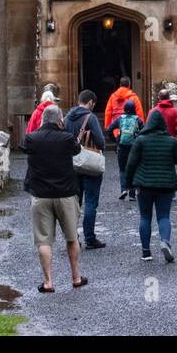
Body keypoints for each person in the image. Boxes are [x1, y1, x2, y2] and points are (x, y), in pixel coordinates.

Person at [22, 104, 87, 292]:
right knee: (72, 237)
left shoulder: (31, 139)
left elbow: (24, 148)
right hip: (65, 193)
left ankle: (48, 281)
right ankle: (75, 277)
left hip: (41, 195)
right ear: (60, 120)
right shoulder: (66, 138)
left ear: (43, 119)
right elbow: (77, 150)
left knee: (43, 240)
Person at [124, 110, 177, 262]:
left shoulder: (140, 140)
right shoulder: (171, 141)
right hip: (166, 185)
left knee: (145, 217)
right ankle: (165, 241)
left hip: (144, 185)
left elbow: (131, 164)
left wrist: (128, 184)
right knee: (164, 216)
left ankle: (146, 252)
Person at [64, 90, 106, 249]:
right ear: (90, 102)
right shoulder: (91, 117)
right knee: (90, 202)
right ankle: (90, 238)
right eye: (93, 104)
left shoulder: (67, 117)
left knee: (74, 203)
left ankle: (72, 237)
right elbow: (101, 142)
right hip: (90, 164)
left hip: (72, 165)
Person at [112, 104, 144, 200]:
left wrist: (116, 141)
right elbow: (144, 131)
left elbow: (110, 129)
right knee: (134, 169)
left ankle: (123, 190)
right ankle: (132, 194)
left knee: (122, 169)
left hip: (122, 147)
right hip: (134, 147)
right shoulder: (138, 119)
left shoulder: (120, 119)